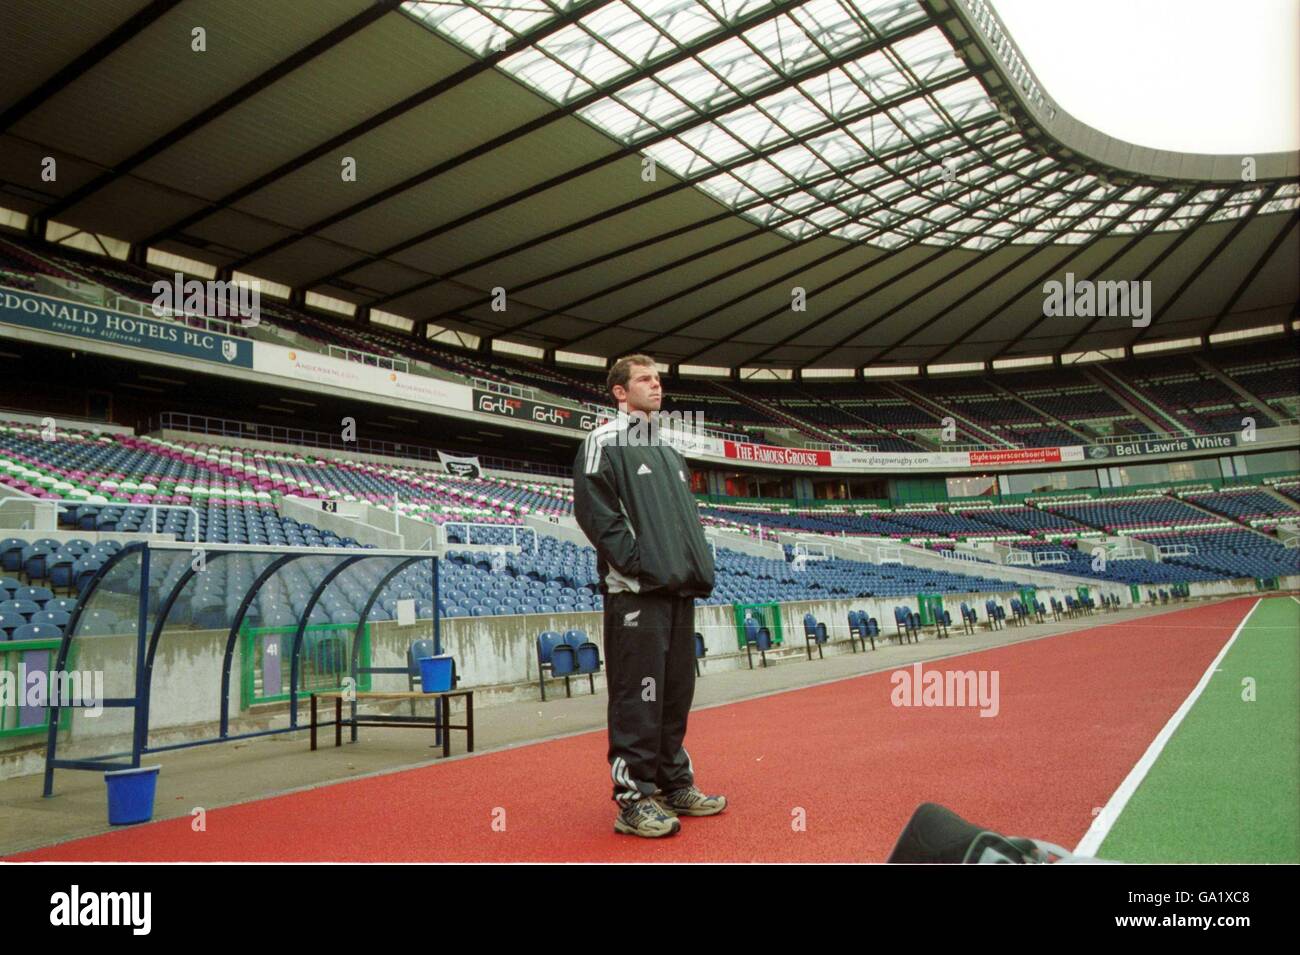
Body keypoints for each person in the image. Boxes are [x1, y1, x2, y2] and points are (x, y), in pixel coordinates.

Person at [573, 354, 726, 838]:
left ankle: (673, 782)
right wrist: (641, 566)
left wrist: (689, 568)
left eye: (658, 379)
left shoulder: (668, 449)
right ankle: (634, 799)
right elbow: (595, 514)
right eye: (644, 380)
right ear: (620, 392)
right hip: (637, 594)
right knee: (638, 698)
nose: (656, 386)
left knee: (675, 694)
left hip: (678, 591)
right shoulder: (602, 442)